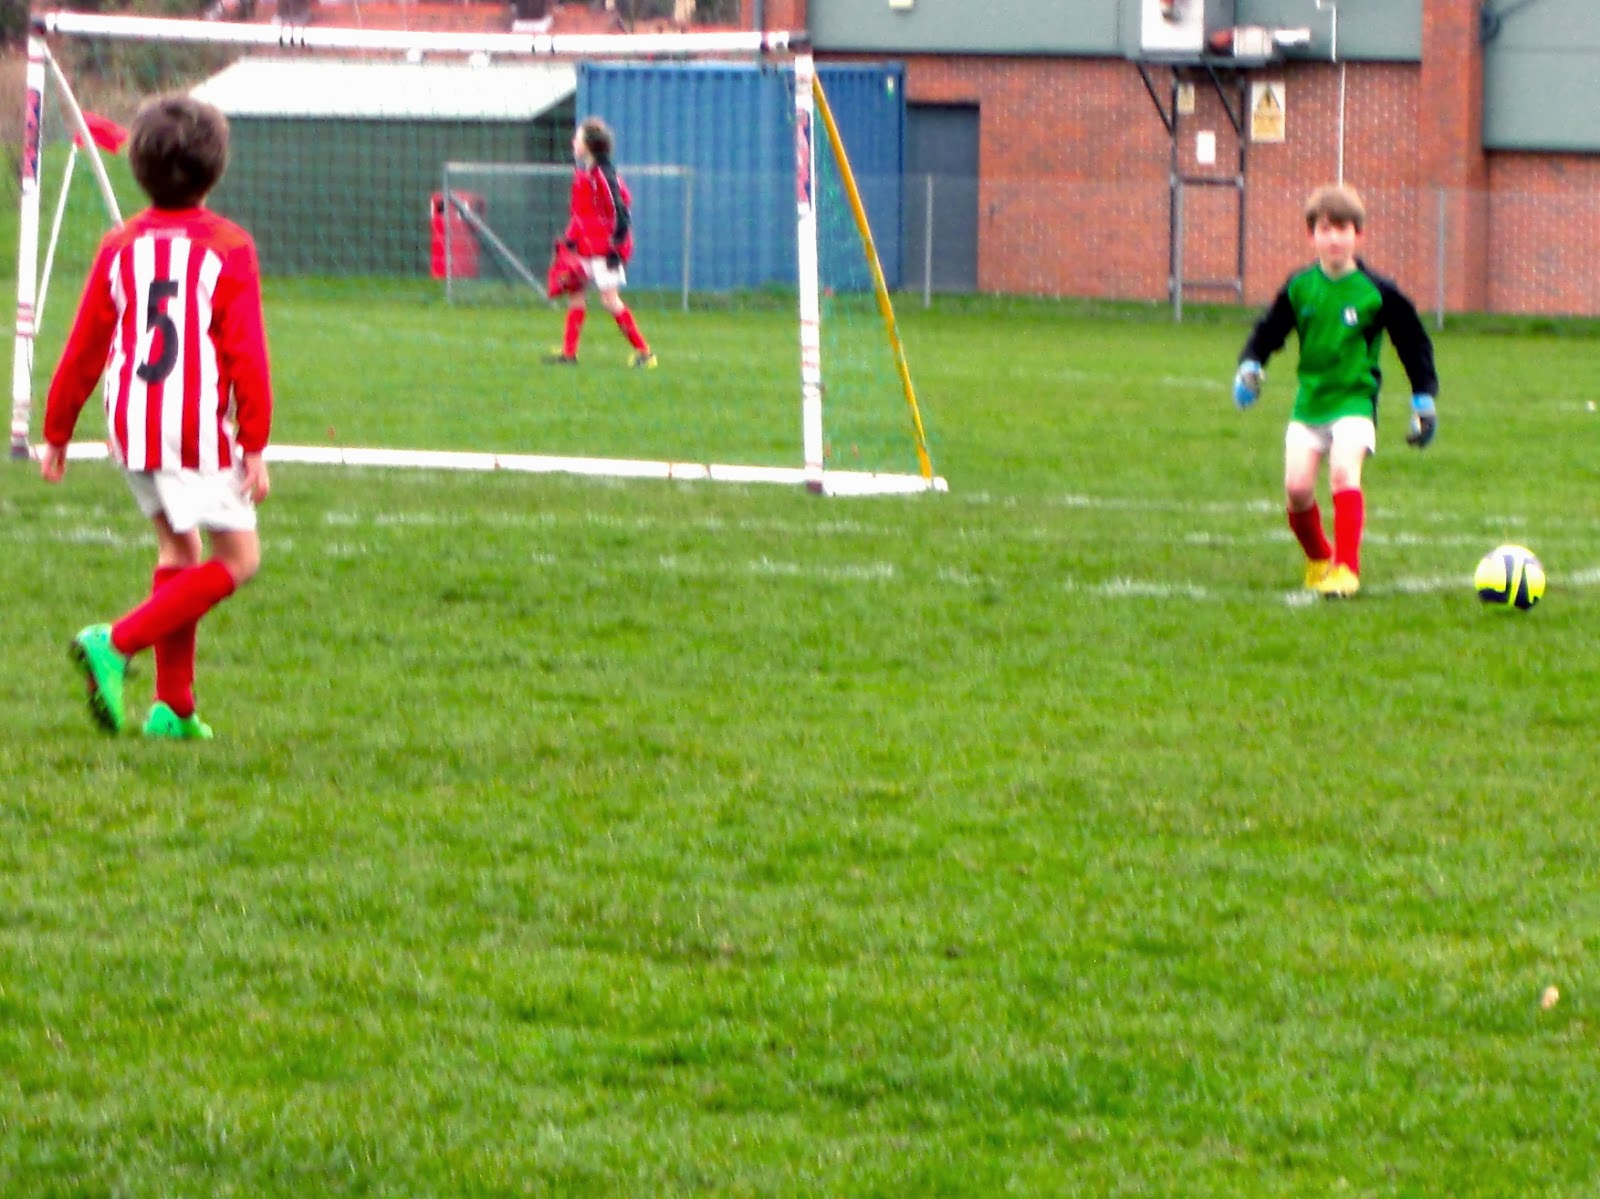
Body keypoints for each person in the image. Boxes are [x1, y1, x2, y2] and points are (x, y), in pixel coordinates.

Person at [40, 94, 273, 738]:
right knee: (238, 558)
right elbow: (247, 352)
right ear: (215, 170)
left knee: (179, 547)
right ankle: (115, 641)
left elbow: (85, 344)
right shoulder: (229, 246)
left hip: (129, 421)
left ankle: (173, 708)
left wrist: (57, 431)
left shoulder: (120, 245)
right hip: (190, 426)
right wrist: (254, 442)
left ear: (140, 169)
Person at [1233, 183, 1438, 598]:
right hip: (1310, 402)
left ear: (1359, 235)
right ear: (1311, 235)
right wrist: (1251, 364)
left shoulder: (1377, 291)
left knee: (1344, 472)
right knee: (1297, 490)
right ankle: (1319, 558)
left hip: (1354, 400)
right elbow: (1270, 330)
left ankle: (1346, 569)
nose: (1334, 238)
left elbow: (1412, 341)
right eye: (1325, 229)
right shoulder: (1300, 287)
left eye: (1343, 229)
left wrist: (1423, 398)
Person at [544, 116, 657, 369]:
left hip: (605, 249)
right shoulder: (585, 174)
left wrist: (616, 246)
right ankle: (569, 354)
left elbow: (621, 210)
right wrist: (570, 240)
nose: (573, 142)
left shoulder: (604, 175)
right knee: (575, 293)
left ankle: (645, 353)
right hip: (585, 246)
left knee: (609, 300)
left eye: (578, 138)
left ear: (589, 145)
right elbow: (581, 213)